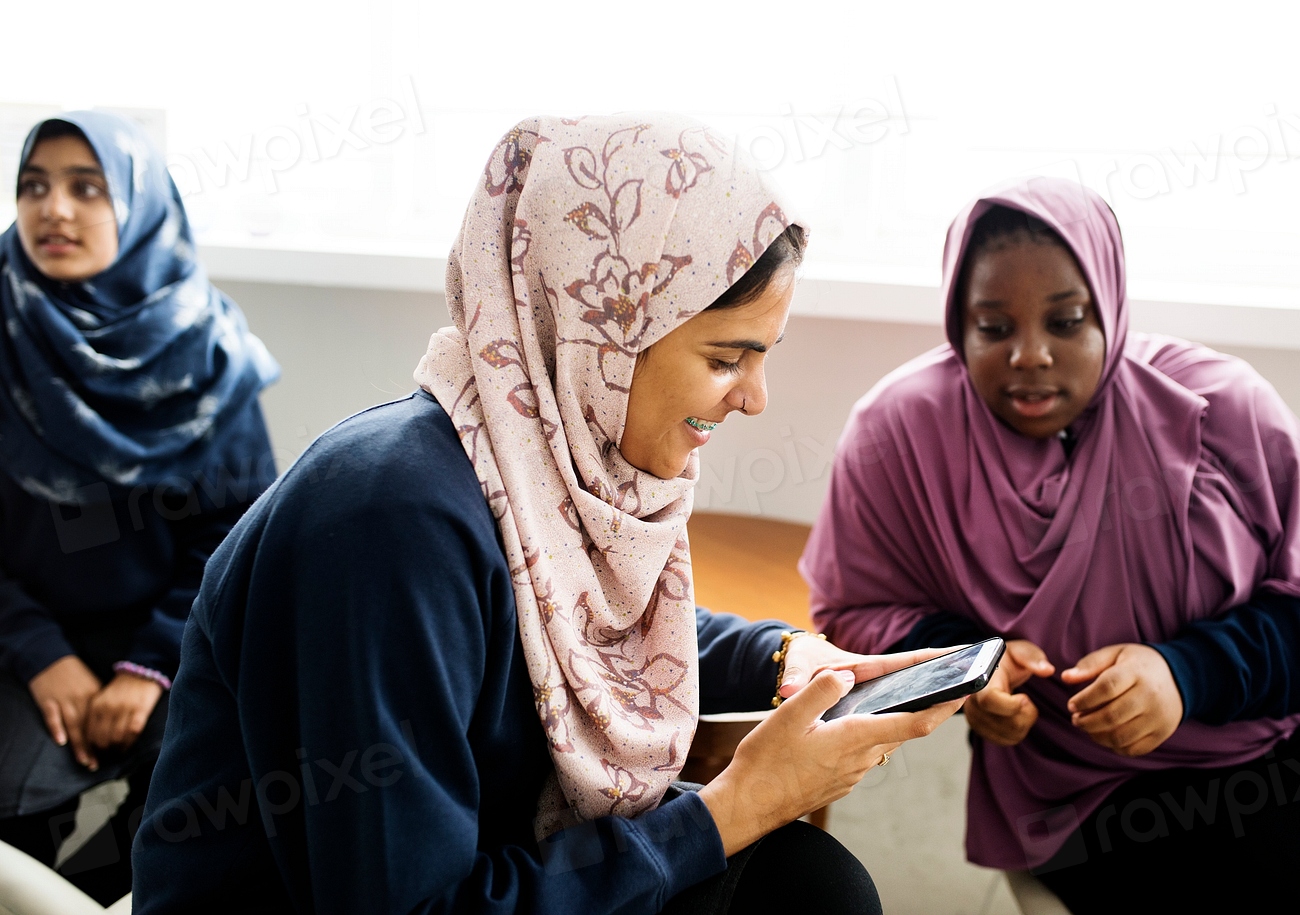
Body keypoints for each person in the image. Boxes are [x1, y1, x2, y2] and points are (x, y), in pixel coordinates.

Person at [131, 114, 963, 915]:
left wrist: (783, 660)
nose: (753, 398)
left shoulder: (536, 471)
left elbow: (566, 625)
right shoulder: (390, 523)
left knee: (804, 882)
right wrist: (736, 805)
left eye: (761, 356)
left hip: (492, 847)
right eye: (724, 358)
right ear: (602, 334)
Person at [800, 177, 1300, 913]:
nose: (1030, 355)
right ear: (956, 324)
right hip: (1068, 786)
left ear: (1111, 309)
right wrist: (968, 667)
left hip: (1258, 746)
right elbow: (855, 608)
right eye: (994, 328)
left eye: (1066, 322)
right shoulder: (902, 433)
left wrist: (1183, 673)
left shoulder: (1224, 413)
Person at [0, 111, 279, 904]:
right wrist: (41, 654)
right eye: (34, 185)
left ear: (142, 204)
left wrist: (149, 666)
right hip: (22, 636)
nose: (54, 209)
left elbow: (238, 535)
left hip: (179, 636)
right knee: (14, 811)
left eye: (87, 188)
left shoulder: (205, 350)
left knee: (216, 804)